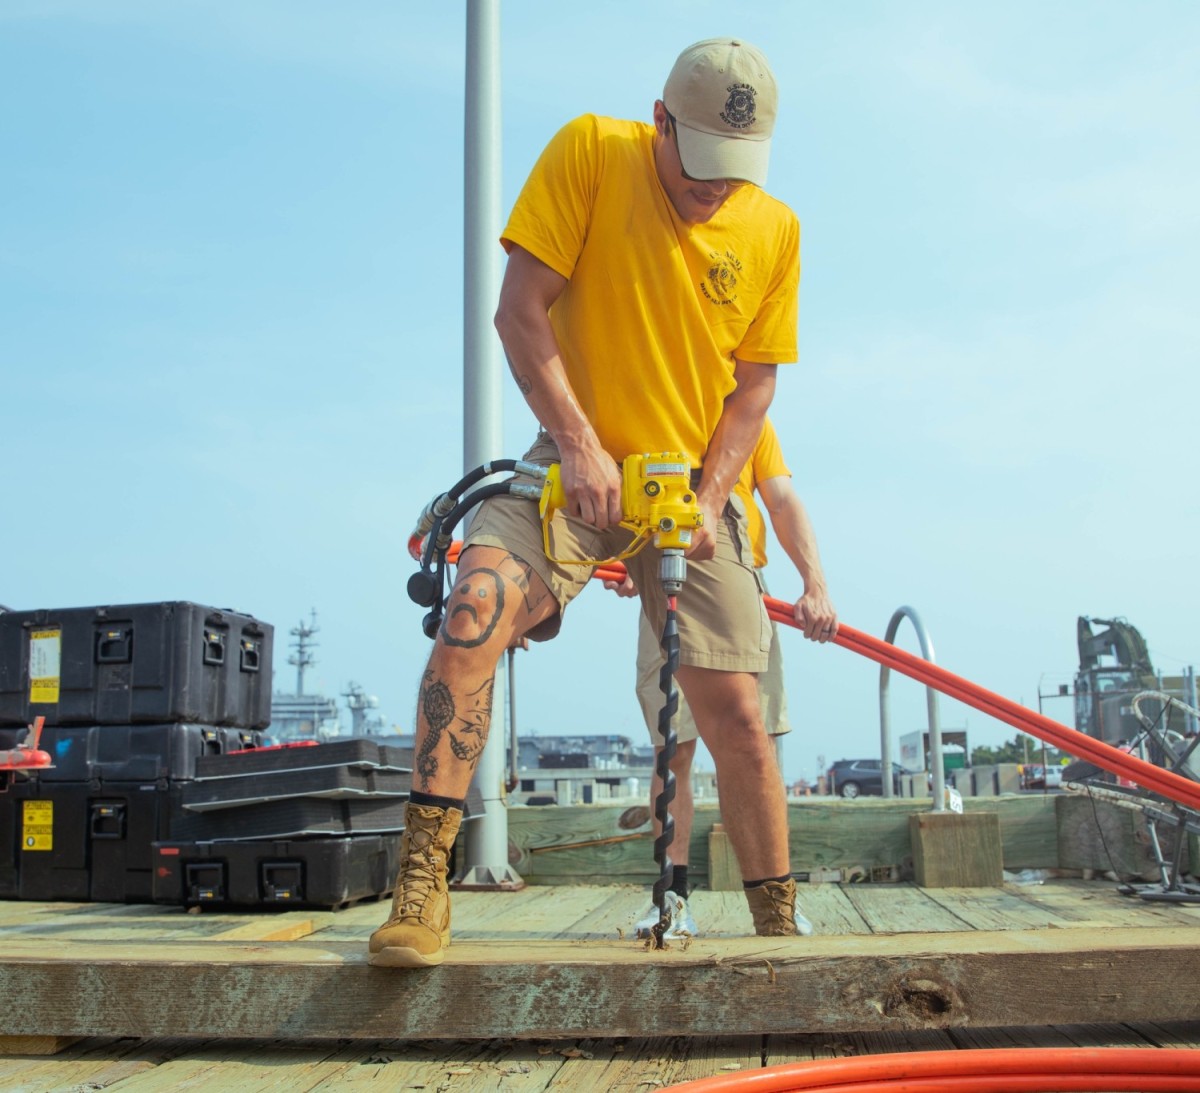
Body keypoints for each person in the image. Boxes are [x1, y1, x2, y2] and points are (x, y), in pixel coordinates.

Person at [371, 37, 814, 968]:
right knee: (471, 613)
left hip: (689, 487)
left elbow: (755, 391)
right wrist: (576, 441)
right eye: (700, 165)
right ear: (660, 121)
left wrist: (711, 495)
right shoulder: (592, 153)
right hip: (572, 468)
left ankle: (779, 926)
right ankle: (421, 890)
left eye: (736, 173)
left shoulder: (775, 229)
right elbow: (519, 310)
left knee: (736, 710)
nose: (716, 190)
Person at [604, 417, 837, 938]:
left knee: (751, 739)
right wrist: (626, 562)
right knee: (673, 747)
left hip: (735, 580)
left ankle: (778, 900)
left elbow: (781, 501)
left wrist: (814, 584)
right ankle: (671, 899)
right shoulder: (648, 411)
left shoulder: (748, 418)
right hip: (661, 576)